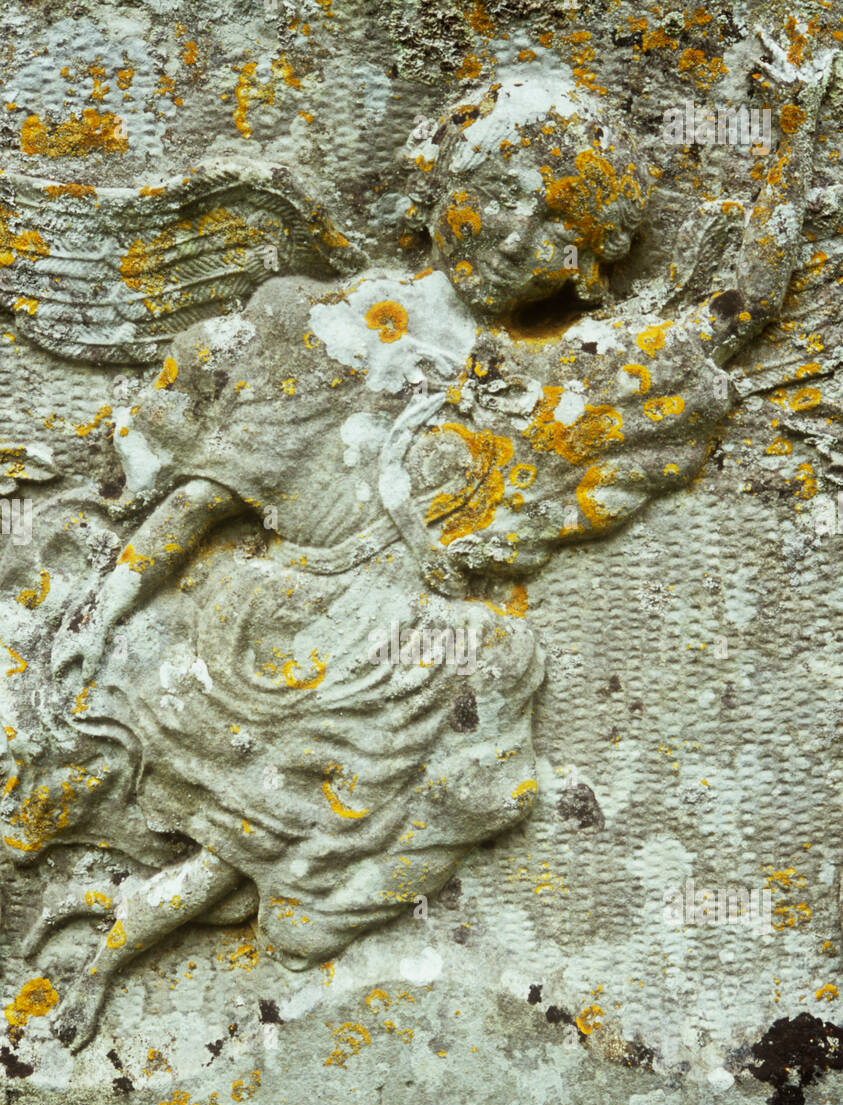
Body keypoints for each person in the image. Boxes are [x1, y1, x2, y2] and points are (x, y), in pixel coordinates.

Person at [16, 37, 833, 1049]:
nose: (516, 238)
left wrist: (792, 140)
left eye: (559, 227)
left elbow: (724, 322)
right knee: (199, 770)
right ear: (441, 179)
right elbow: (205, 499)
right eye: (503, 193)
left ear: (589, 267)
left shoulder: (554, 380)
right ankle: (117, 925)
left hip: (402, 644)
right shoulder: (328, 326)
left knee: (418, 730)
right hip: (275, 617)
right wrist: (104, 609)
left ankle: (133, 928)